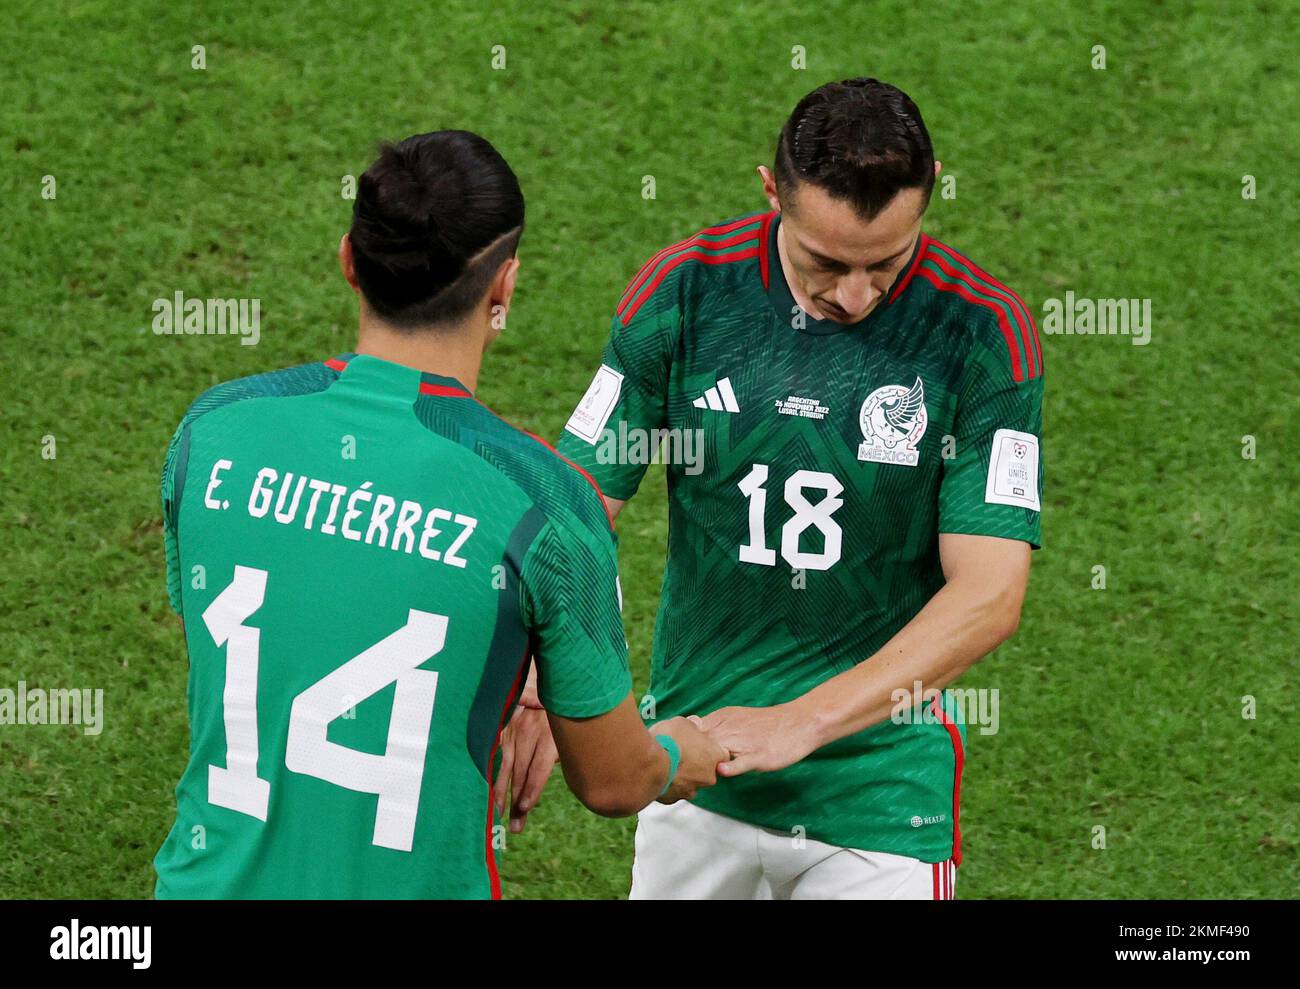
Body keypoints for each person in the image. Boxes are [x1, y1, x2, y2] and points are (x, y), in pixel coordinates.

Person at [153, 130, 726, 899]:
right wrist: (673, 755)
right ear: (505, 288)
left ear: (348, 262)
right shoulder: (546, 502)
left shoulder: (212, 432)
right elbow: (614, 779)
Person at [552, 78, 1044, 899]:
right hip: (693, 767)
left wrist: (800, 722)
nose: (854, 296)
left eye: (887, 262)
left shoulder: (983, 332)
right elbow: (573, 515)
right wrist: (540, 684)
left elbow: (990, 594)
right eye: (825, 262)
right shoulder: (684, 293)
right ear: (770, 190)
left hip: (879, 798)